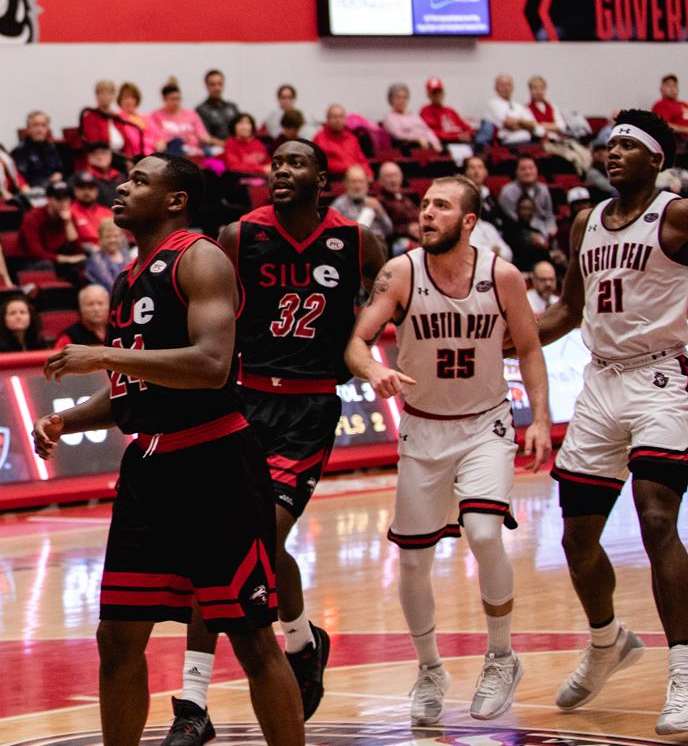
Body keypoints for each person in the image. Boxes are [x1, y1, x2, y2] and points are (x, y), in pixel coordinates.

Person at [35, 155, 304, 746]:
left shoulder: (200, 258)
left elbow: (209, 366)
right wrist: (66, 418)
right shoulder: (128, 279)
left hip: (216, 466)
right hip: (149, 471)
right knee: (118, 636)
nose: (121, 188)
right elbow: (136, 389)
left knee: (253, 636)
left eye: (138, 180)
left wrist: (102, 356)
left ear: (176, 199)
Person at [167, 140, 383, 741]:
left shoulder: (357, 242)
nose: (280, 171)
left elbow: (380, 311)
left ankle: (198, 698)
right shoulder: (239, 235)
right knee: (230, 543)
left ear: (322, 178)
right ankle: (293, 647)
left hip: (309, 408)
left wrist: (367, 360)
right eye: (275, 164)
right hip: (247, 400)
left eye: (294, 164)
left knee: (252, 538)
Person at [348, 176, 551, 724]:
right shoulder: (401, 272)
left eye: (441, 206)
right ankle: (430, 668)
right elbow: (357, 340)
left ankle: (502, 657)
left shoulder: (502, 276)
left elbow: (530, 349)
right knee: (413, 561)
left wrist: (541, 420)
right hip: (424, 429)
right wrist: (374, 369)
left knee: (484, 533)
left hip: (485, 424)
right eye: (424, 205)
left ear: (468, 222)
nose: (427, 213)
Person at [533, 110, 688, 734]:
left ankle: (683, 673)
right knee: (576, 537)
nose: (613, 151)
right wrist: (496, 335)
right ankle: (607, 642)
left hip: (663, 378)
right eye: (609, 144)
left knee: (655, 516)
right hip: (600, 380)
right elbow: (569, 309)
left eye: (629, 144)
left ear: (657, 161)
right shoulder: (585, 221)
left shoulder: (676, 215)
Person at [147, 81, 217, 157]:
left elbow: (202, 134)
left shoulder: (191, 114)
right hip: (171, 152)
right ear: (164, 99)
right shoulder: (156, 116)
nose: (176, 102)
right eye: (172, 99)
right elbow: (155, 137)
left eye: (178, 99)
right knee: (176, 142)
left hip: (194, 153)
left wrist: (205, 139)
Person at [330, 165, 393, 238]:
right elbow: (333, 232)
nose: (357, 186)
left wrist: (379, 211)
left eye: (361, 181)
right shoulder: (339, 205)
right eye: (353, 182)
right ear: (345, 184)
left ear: (366, 184)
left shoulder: (374, 202)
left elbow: (389, 230)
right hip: (354, 243)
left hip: (378, 241)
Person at [12, 111, 65, 193]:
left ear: (47, 129)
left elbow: (59, 169)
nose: (40, 129)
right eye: (36, 125)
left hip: (54, 190)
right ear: (28, 129)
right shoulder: (20, 151)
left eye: (43, 125)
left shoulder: (53, 148)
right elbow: (20, 177)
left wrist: (59, 175)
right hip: (32, 191)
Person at [381, 82, 444, 151]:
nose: (402, 101)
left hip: (426, 146)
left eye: (404, 97)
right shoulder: (390, 117)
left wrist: (436, 144)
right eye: (398, 97)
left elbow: (427, 130)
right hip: (407, 149)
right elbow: (398, 135)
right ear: (391, 99)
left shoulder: (413, 116)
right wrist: (417, 139)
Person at [483, 73, 539, 148]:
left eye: (508, 85)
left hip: (528, 142)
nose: (506, 88)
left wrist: (518, 122)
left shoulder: (519, 106)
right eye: (502, 85)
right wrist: (525, 124)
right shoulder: (493, 104)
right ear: (496, 88)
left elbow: (533, 125)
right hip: (508, 145)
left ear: (513, 87)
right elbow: (509, 124)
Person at [314, 105, 369, 176]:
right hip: (335, 178)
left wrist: (368, 173)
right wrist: (349, 167)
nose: (338, 120)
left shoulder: (352, 138)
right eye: (335, 117)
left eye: (341, 117)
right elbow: (322, 164)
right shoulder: (319, 139)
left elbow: (362, 159)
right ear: (327, 119)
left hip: (356, 175)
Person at [420, 79, 475, 146]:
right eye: (434, 93)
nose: (437, 95)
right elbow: (432, 133)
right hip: (446, 145)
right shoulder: (426, 111)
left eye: (439, 92)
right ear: (428, 95)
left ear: (443, 93)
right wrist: (456, 136)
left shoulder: (450, 110)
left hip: (463, 143)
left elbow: (466, 127)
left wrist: (469, 134)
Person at [83, 219, 134, 290]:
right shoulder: (97, 259)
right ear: (100, 238)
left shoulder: (126, 254)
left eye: (116, 236)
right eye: (108, 237)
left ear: (122, 237)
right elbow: (110, 286)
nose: (112, 240)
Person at [56, 283, 111, 349]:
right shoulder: (69, 337)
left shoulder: (117, 330)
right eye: (90, 304)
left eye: (100, 303)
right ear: (81, 308)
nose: (96, 309)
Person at [196, 70, 243, 142]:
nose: (217, 88)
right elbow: (204, 137)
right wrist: (226, 145)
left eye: (220, 84)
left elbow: (241, 129)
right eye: (213, 84)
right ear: (206, 86)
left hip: (237, 147)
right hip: (216, 149)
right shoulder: (201, 110)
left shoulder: (232, 107)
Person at [223, 115, 271, 179]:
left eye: (248, 123)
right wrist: (261, 169)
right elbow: (234, 166)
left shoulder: (258, 144)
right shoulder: (231, 143)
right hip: (240, 180)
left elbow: (268, 163)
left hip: (261, 179)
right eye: (240, 123)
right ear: (234, 127)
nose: (244, 127)